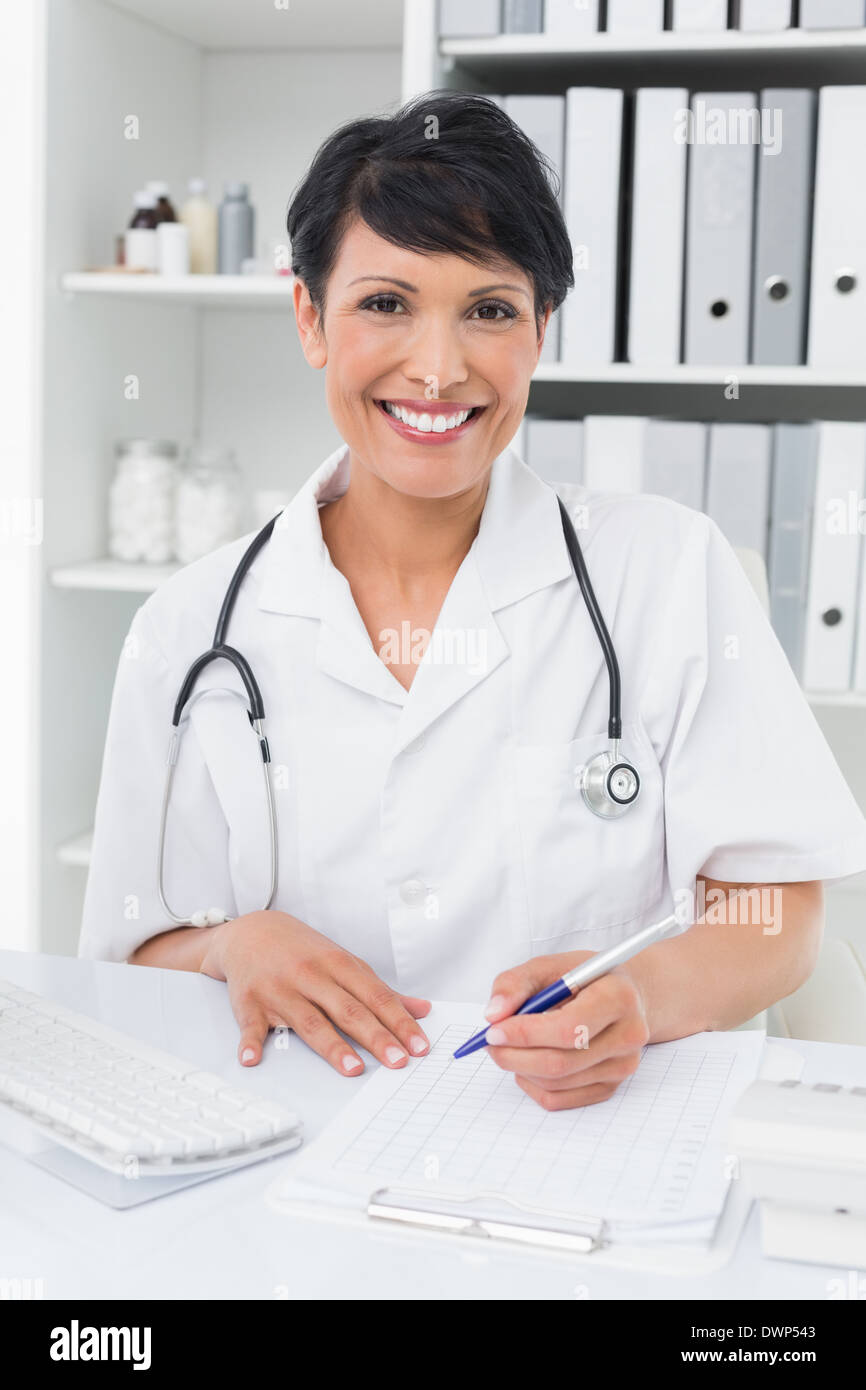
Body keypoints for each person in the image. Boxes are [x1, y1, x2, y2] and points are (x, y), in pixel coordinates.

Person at [80, 92, 866, 1112]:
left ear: (539, 330)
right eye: (385, 304)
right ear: (310, 318)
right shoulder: (189, 629)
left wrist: (643, 992)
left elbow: (776, 910)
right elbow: (124, 951)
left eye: (488, 309)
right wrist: (230, 946)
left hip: (599, 1144)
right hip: (295, 1148)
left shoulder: (667, 570)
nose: (438, 368)